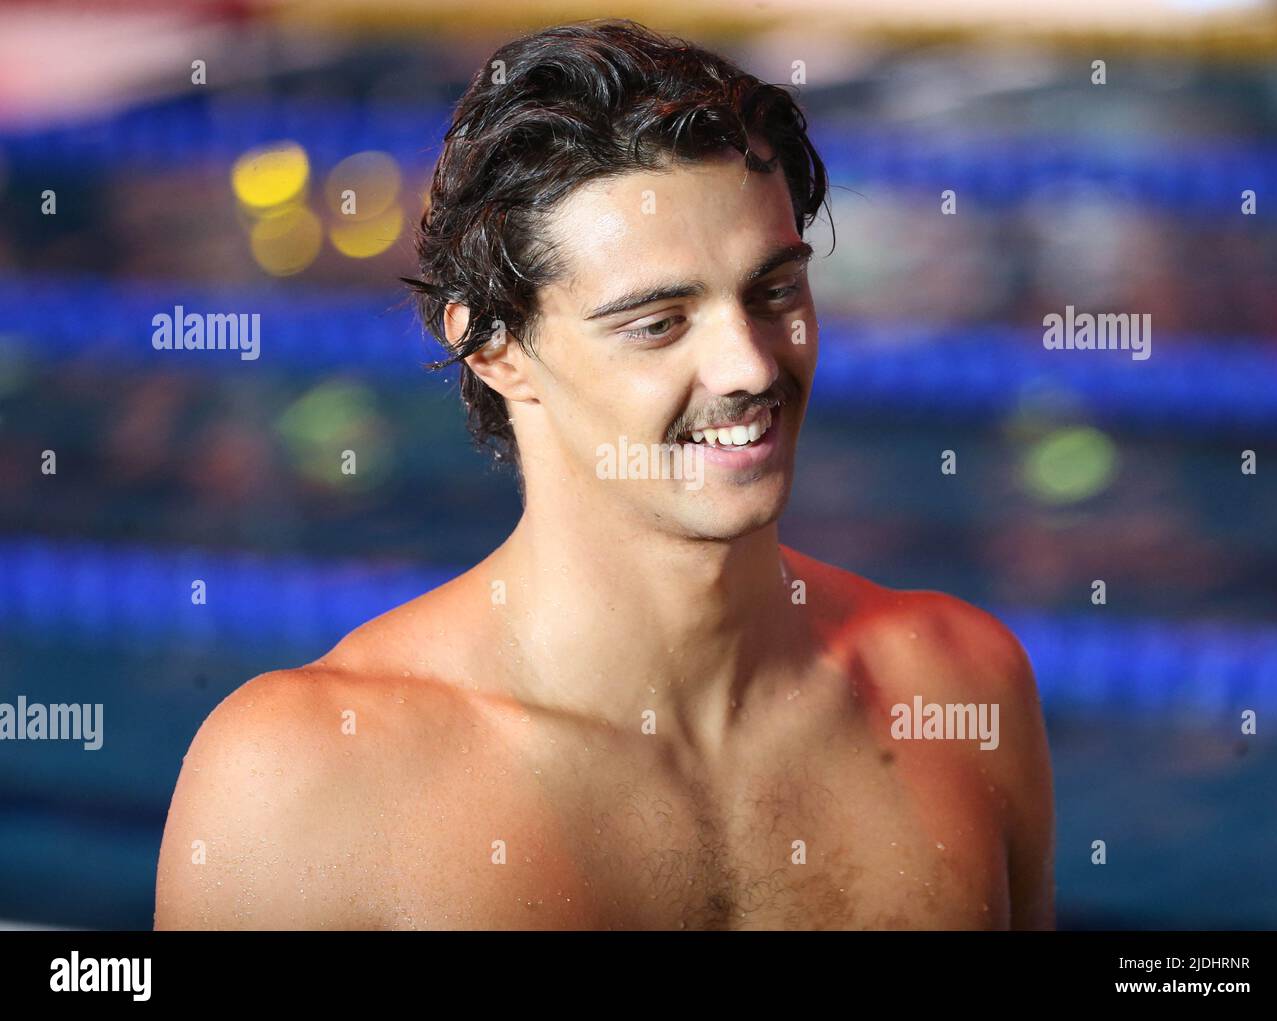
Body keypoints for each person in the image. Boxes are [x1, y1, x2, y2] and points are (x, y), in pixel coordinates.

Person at [155, 19, 1054, 930]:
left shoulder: (959, 686)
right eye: (658, 322)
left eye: (774, 291)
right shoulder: (304, 780)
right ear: (493, 346)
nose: (748, 364)